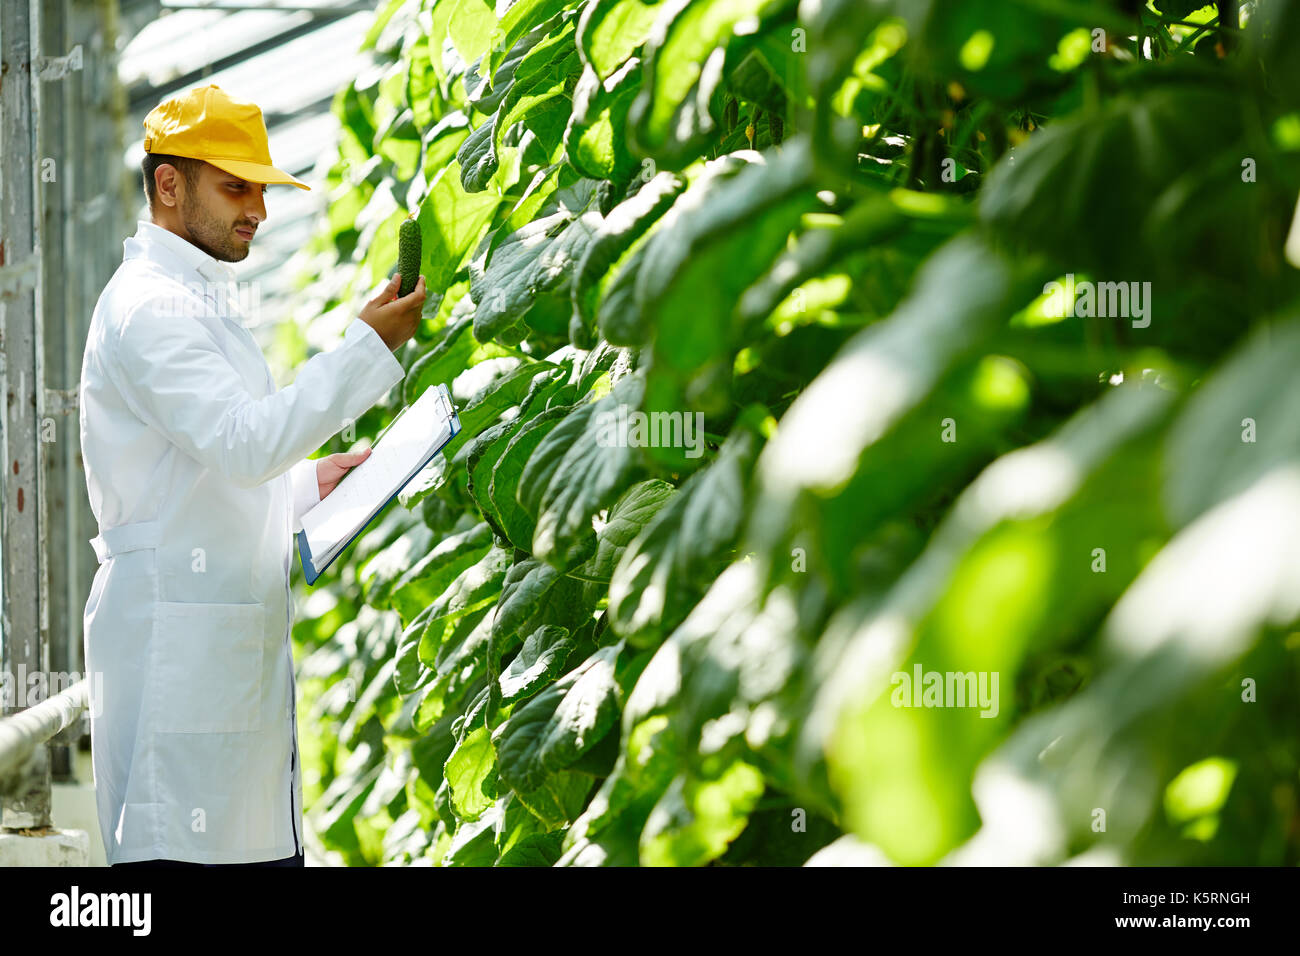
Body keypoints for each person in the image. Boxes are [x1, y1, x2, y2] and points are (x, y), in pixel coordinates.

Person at [78, 84, 425, 867]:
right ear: (169, 185)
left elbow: (198, 478)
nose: (259, 209)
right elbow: (239, 443)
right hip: (182, 667)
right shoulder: (151, 310)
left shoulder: (192, 302)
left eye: (262, 188)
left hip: (219, 670)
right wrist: (366, 349)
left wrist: (306, 486)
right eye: (235, 185)